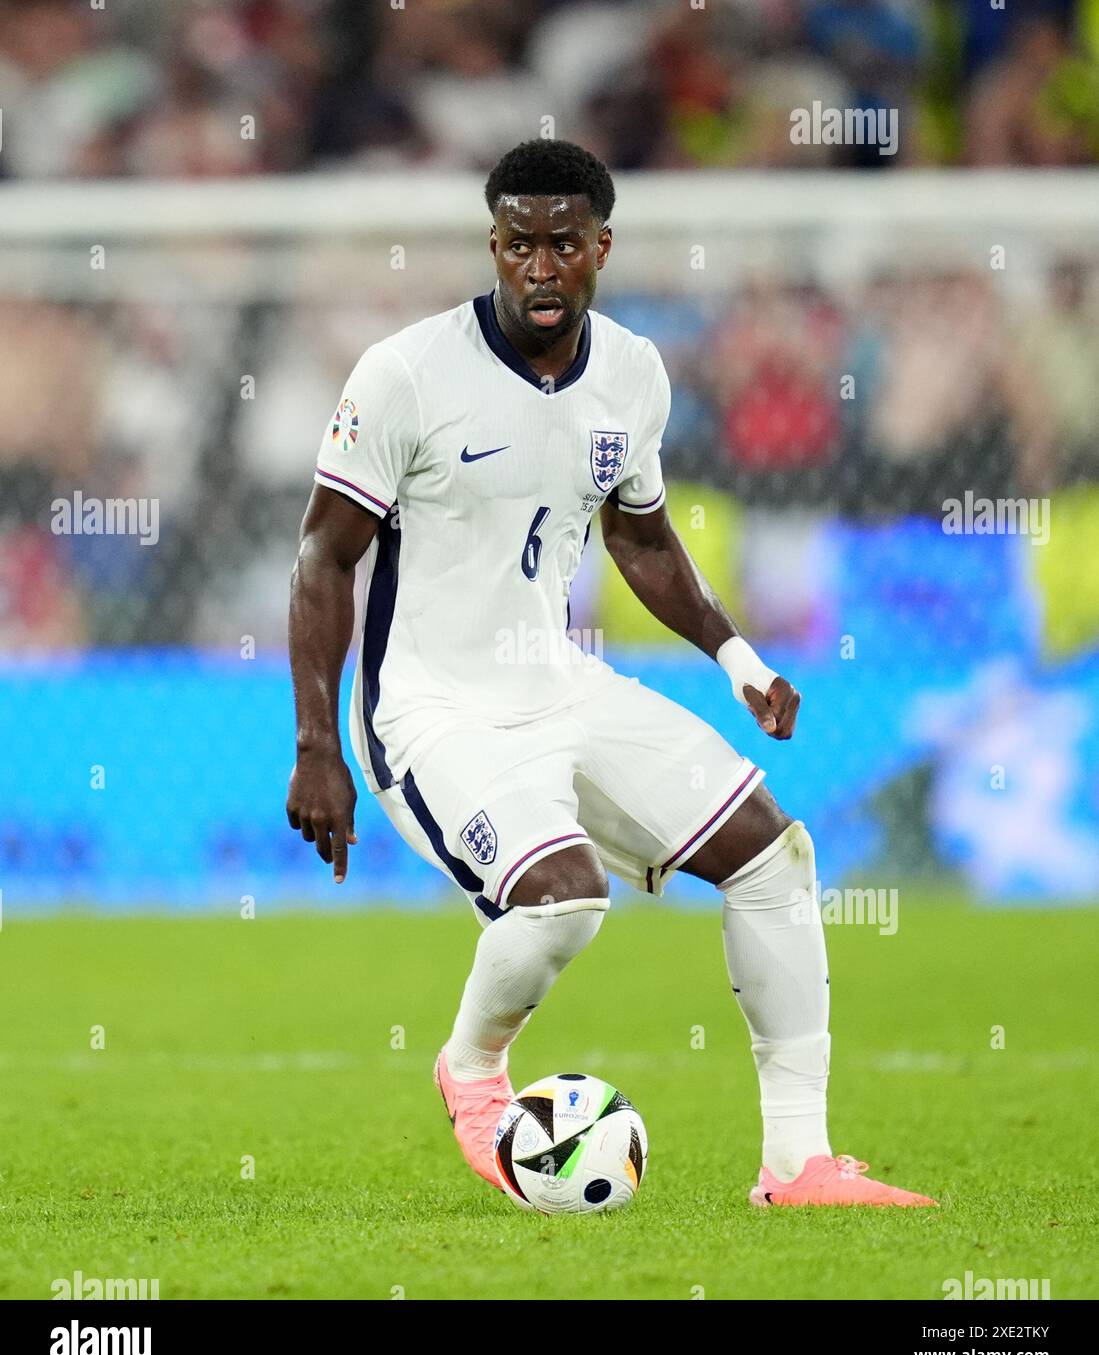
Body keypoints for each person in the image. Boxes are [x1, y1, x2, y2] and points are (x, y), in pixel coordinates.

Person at [287, 139, 935, 1208]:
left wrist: (736, 656)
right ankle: (474, 1070)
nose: (540, 266)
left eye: (564, 244)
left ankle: (797, 1164)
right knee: (560, 905)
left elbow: (640, 537)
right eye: (519, 244)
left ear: (601, 247)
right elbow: (323, 557)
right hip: (433, 711)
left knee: (772, 852)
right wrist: (318, 744)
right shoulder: (405, 374)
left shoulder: (633, 371)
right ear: (492, 245)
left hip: (562, 683)